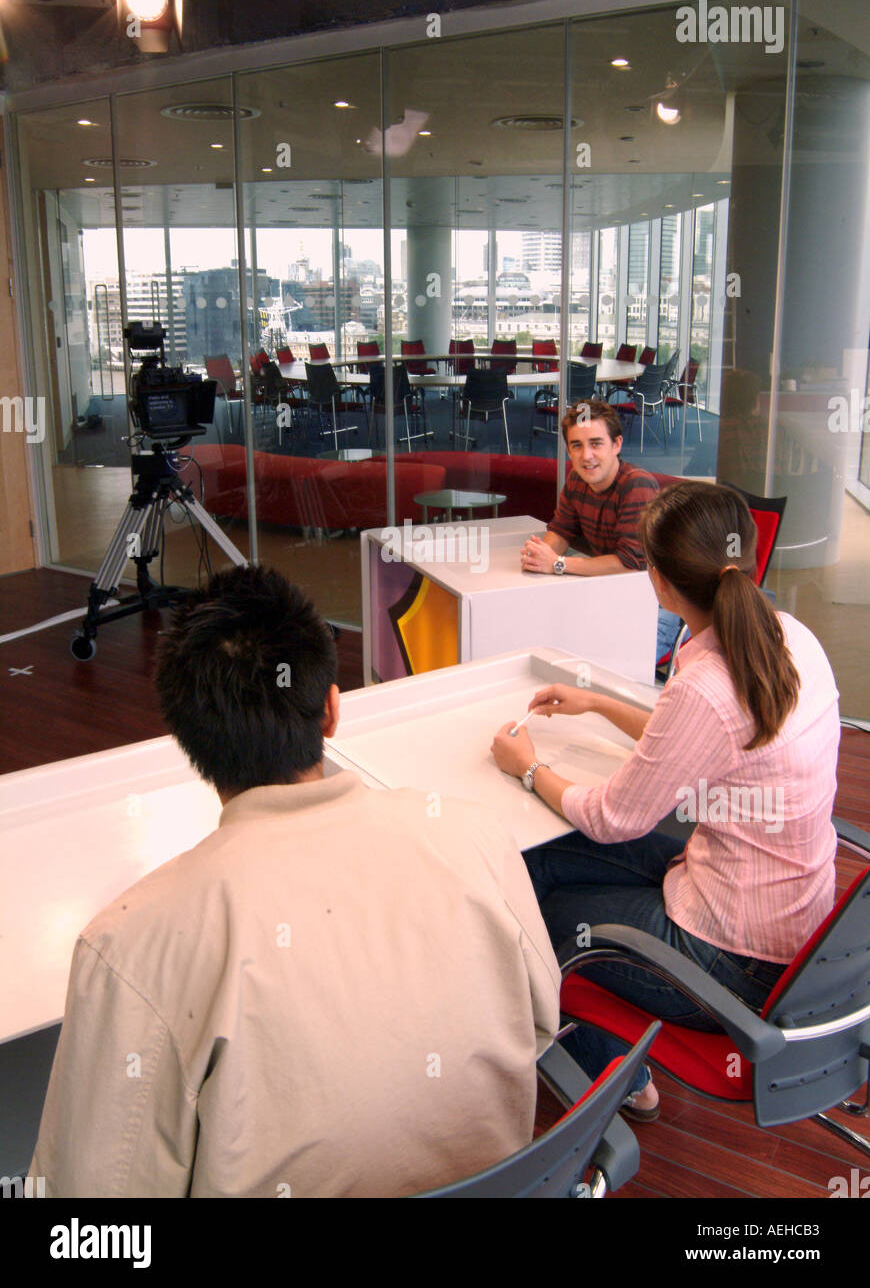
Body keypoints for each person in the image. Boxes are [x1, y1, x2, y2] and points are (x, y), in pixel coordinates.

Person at [31, 565, 560, 1198]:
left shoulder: (130, 948)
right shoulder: (477, 837)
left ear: (185, 739)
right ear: (333, 710)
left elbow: (96, 1201)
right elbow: (541, 1022)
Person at [492, 481, 839, 1121]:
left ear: (659, 581)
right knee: (536, 864)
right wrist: (598, 703)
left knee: (542, 915)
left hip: (735, 960)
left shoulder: (706, 684)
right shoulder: (792, 638)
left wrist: (529, 766)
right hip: (794, 924)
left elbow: (613, 818)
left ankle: (619, 1079)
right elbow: (703, 739)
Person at [519, 399, 682, 664]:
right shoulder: (576, 479)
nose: (586, 456)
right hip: (610, 596)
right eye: (577, 446)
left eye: (596, 443)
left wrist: (558, 564)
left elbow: (631, 564)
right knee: (553, 645)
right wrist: (542, 555)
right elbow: (561, 530)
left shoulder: (636, 485)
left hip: (658, 604)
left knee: (606, 665)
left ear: (616, 444)